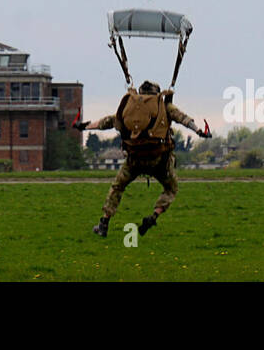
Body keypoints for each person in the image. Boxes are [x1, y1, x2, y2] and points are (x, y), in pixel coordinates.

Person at [76, 80, 210, 237]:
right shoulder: (164, 106)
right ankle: (153, 216)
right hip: (158, 160)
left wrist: (84, 126)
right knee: (171, 188)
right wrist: (200, 131)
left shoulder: (131, 108)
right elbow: (184, 119)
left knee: (118, 187)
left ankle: (104, 223)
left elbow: (109, 121)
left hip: (134, 160)